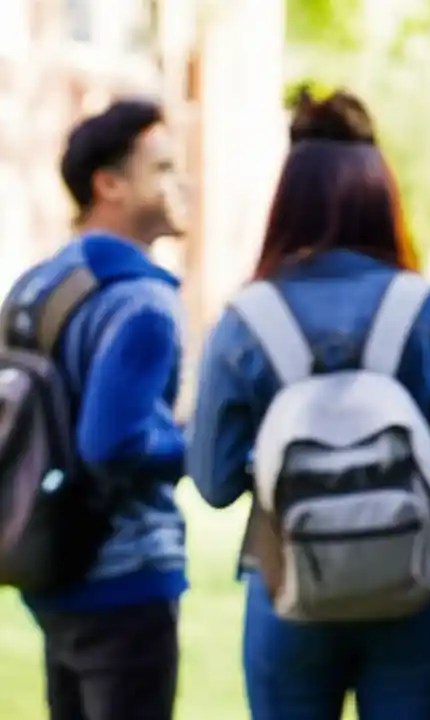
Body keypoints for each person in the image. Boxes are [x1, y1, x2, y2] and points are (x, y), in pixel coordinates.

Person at [185, 89, 430, 720]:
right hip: (418, 596)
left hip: (287, 593)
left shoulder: (247, 319)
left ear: (285, 205)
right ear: (383, 200)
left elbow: (214, 483)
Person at [5, 99, 190, 720]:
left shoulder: (34, 287)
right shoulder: (141, 301)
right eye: (161, 169)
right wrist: (193, 443)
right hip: (125, 574)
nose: (179, 182)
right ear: (108, 184)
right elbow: (111, 443)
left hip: (45, 560)